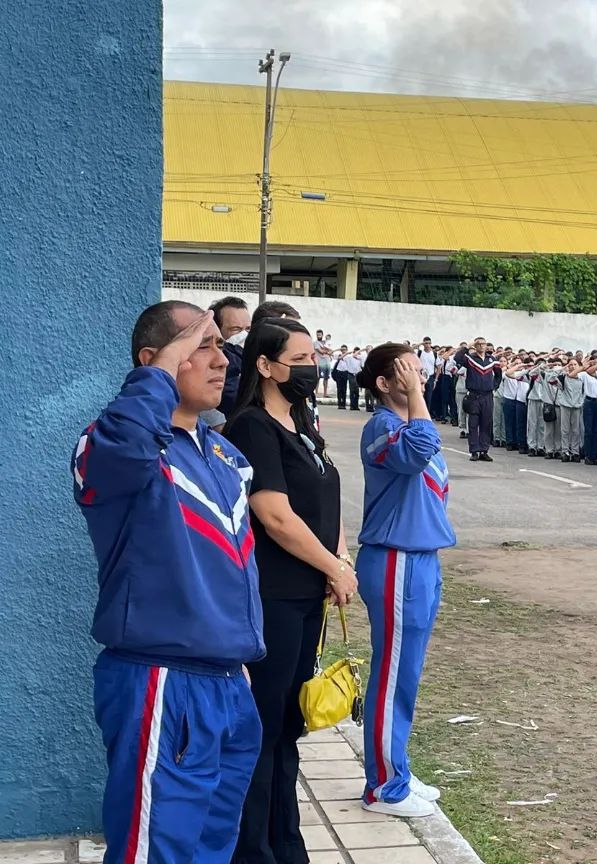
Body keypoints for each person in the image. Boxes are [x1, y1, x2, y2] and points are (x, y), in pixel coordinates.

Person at [73, 302, 263, 864]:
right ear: (151, 364)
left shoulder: (227, 457)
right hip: (163, 681)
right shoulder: (115, 447)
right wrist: (158, 375)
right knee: (158, 852)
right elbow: (123, 446)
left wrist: (238, 657)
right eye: (201, 345)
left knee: (211, 846)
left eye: (221, 345)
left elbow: (229, 572)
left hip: (227, 682)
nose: (221, 360)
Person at [224, 319, 354, 864]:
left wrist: (338, 559)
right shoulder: (253, 427)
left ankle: (285, 839)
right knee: (264, 725)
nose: (310, 366)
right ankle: (253, 848)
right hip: (274, 596)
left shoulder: (302, 421)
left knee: (288, 726)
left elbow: (324, 499)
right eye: (299, 358)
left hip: (308, 595)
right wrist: (334, 566)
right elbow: (274, 516)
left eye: (312, 355)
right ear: (265, 365)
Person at [354, 344, 457, 818]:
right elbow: (417, 452)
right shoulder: (383, 425)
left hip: (421, 559)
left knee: (407, 673)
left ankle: (397, 767)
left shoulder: (414, 422)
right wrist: (416, 395)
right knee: (394, 675)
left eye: (419, 368)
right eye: (407, 370)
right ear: (384, 382)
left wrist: (417, 396)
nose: (419, 375)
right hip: (395, 560)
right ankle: (383, 786)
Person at [454, 337, 500, 461]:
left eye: (483, 344)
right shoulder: (470, 358)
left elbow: (498, 375)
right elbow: (457, 358)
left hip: (487, 395)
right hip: (474, 395)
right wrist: (467, 347)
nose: (481, 346)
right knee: (473, 424)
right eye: (478, 344)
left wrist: (494, 386)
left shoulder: (492, 359)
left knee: (486, 423)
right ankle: (474, 450)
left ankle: (484, 450)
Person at [557, 357, 585, 463]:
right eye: (570, 365)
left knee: (576, 430)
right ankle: (565, 451)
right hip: (565, 405)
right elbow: (551, 380)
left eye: (575, 365)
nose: (572, 367)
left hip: (577, 406)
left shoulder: (582, 378)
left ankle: (575, 451)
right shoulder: (563, 377)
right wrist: (562, 369)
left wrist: (580, 402)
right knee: (565, 430)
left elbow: (583, 392)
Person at [313, 329, 333, 398]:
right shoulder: (315, 343)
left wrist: (328, 351)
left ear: (322, 335)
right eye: (317, 335)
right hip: (319, 362)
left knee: (326, 378)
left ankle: (325, 393)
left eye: (320, 335)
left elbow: (331, 349)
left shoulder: (326, 342)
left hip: (326, 362)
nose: (319, 336)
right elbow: (321, 351)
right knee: (317, 377)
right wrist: (328, 352)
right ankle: (316, 392)